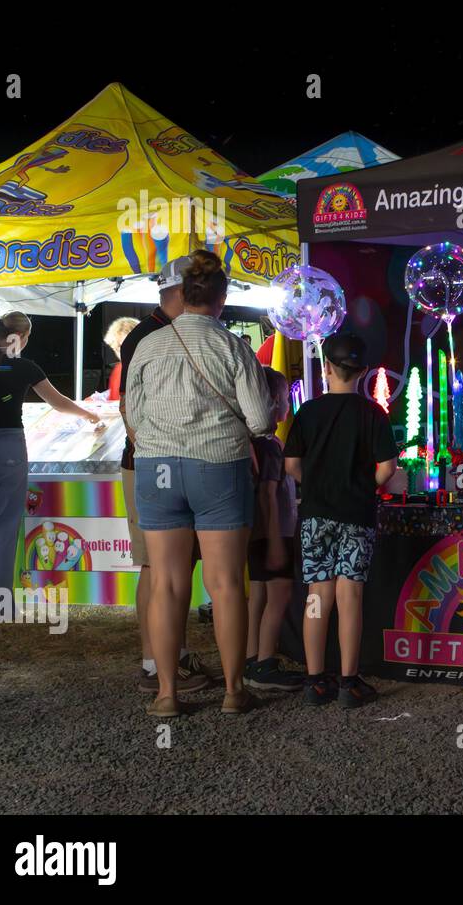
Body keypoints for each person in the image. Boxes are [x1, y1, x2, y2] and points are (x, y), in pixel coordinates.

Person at [123, 250, 273, 717]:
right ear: (221, 299)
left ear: (183, 295)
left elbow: (133, 415)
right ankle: (233, 691)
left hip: (157, 469)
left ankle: (167, 693)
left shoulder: (148, 345)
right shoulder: (232, 346)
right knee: (225, 583)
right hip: (219, 466)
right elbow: (260, 420)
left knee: (167, 583)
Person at [118, 258, 219, 695]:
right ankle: (153, 664)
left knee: (171, 566)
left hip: (166, 462)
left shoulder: (165, 330)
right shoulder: (147, 335)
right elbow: (129, 408)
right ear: (181, 291)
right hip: (153, 464)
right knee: (156, 565)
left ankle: (170, 656)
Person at [285, 333, 397, 708]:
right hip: (356, 515)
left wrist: (316, 484)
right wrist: (362, 487)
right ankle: (350, 682)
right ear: (363, 372)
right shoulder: (373, 414)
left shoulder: (308, 412)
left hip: (316, 515)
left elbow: (291, 465)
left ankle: (314, 680)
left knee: (317, 595)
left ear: (326, 368)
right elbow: (387, 469)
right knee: (350, 595)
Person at [0, 311, 103, 597]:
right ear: (21, 337)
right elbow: (59, 402)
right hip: (8, 446)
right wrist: (89, 415)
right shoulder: (26, 367)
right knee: (5, 525)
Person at [245, 367, 302, 691]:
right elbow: (268, 493)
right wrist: (277, 542)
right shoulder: (269, 445)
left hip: (257, 533)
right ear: (272, 402)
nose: (288, 406)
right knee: (279, 595)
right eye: (285, 399)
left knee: (259, 594)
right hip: (274, 531)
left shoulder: (254, 442)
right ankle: (265, 662)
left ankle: (252, 657)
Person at [103, 317, 139, 402]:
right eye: (118, 348)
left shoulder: (150, 368)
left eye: (128, 345)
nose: (123, 352)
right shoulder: (119, 369)